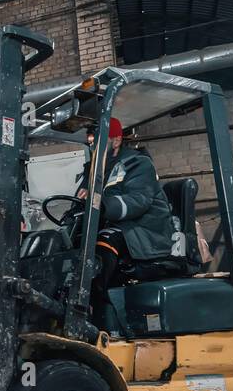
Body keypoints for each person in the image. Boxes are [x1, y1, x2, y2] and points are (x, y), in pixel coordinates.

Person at [75, 118, 175, 295]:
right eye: (91, 144)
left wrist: (101, 204)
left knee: (103, 242)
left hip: (145, 230)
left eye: (98, 142)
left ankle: (89, 300)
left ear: (116, 141)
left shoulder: (138, 163)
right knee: (74, 242)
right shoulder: (94, 171)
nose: (93, 148)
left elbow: (139, 201)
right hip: (122, 228)